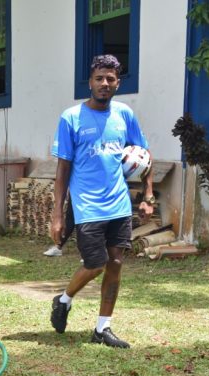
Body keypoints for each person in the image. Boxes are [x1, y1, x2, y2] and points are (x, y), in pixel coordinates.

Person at [49, 54, 153, 349]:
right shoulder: (71, 118)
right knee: (96, 264)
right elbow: (63, 169)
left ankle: (102, 328)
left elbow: (144, 155)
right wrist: (57, 215)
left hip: (119, 205)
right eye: (99, 78)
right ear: (90, 82)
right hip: (87, 206)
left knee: (116, 263)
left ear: (118, 83)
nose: (104, 83)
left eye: (110, 79)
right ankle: (64, 300)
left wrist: (148, 195)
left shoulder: (124, 114)